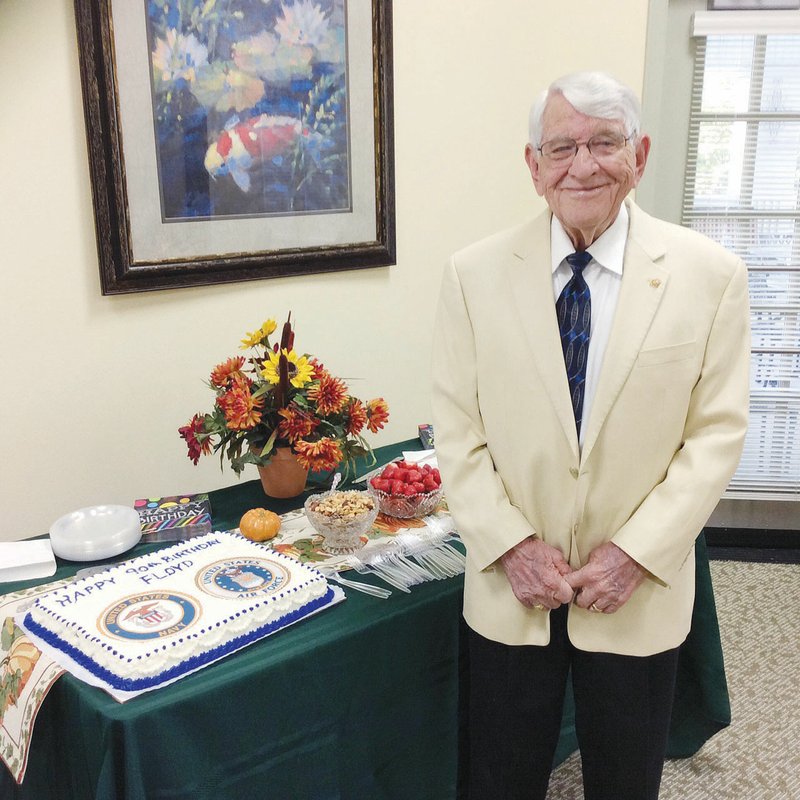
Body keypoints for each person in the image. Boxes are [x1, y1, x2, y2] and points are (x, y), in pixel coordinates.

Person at [430, 71, 750, 800]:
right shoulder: (471, 276)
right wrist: (509, 545)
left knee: (624, 779)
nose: (583, 164)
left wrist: (634, 556)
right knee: (501, 776)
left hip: (636, 591)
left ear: (638, 155)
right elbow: (458, 428)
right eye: (562, 146)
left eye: (604, 142)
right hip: (512, 590)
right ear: (533, 166)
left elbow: (715, 435)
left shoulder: (711, 277)